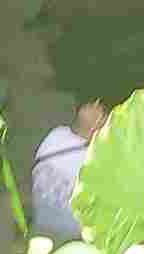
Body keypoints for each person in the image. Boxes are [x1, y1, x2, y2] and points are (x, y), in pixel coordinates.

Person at [27, 98, 105, 242]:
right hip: (55, 226)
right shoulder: (58, 134)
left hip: (60, 229)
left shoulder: (101, 154)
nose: (95, 106)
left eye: (102, 109)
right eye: (91, 103)